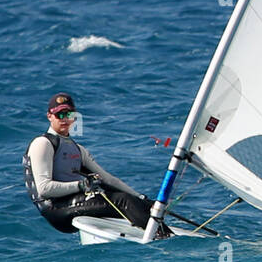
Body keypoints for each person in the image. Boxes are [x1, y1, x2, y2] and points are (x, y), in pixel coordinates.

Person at [22, 92, 171, 238]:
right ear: (49, 116)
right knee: (123, 201)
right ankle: (160, 237)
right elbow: (44, 189)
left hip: (75, 201)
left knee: (136, 202)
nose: (64, 119)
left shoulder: (78, 149)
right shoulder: (43, 143)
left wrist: (141, 198)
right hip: (55, 208)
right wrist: (81, 185)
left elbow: (108, 179)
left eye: (69, 115)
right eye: (60, 115)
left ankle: (163, 232)